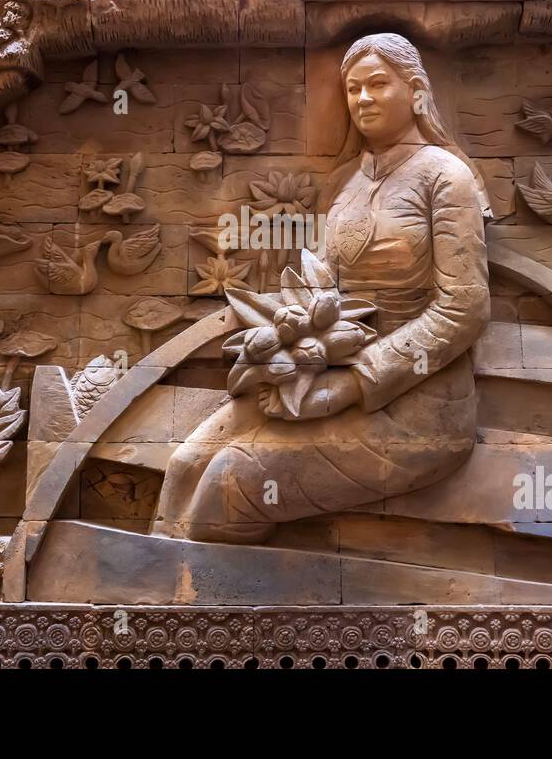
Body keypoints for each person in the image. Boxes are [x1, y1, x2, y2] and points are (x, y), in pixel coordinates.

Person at [153, 33, 491, 544]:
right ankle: (151, 609)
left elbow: (464, 309)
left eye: (379, 84)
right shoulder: (347, 183)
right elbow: (323, 293)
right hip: (325, 372)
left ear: (417, 92)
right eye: (353, 89)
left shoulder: (447, 177)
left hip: (418, 406)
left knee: (229, 483)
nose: (363, 99)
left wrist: (353, 385)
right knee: (184, 464)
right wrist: (288, 354)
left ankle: (217, 618)